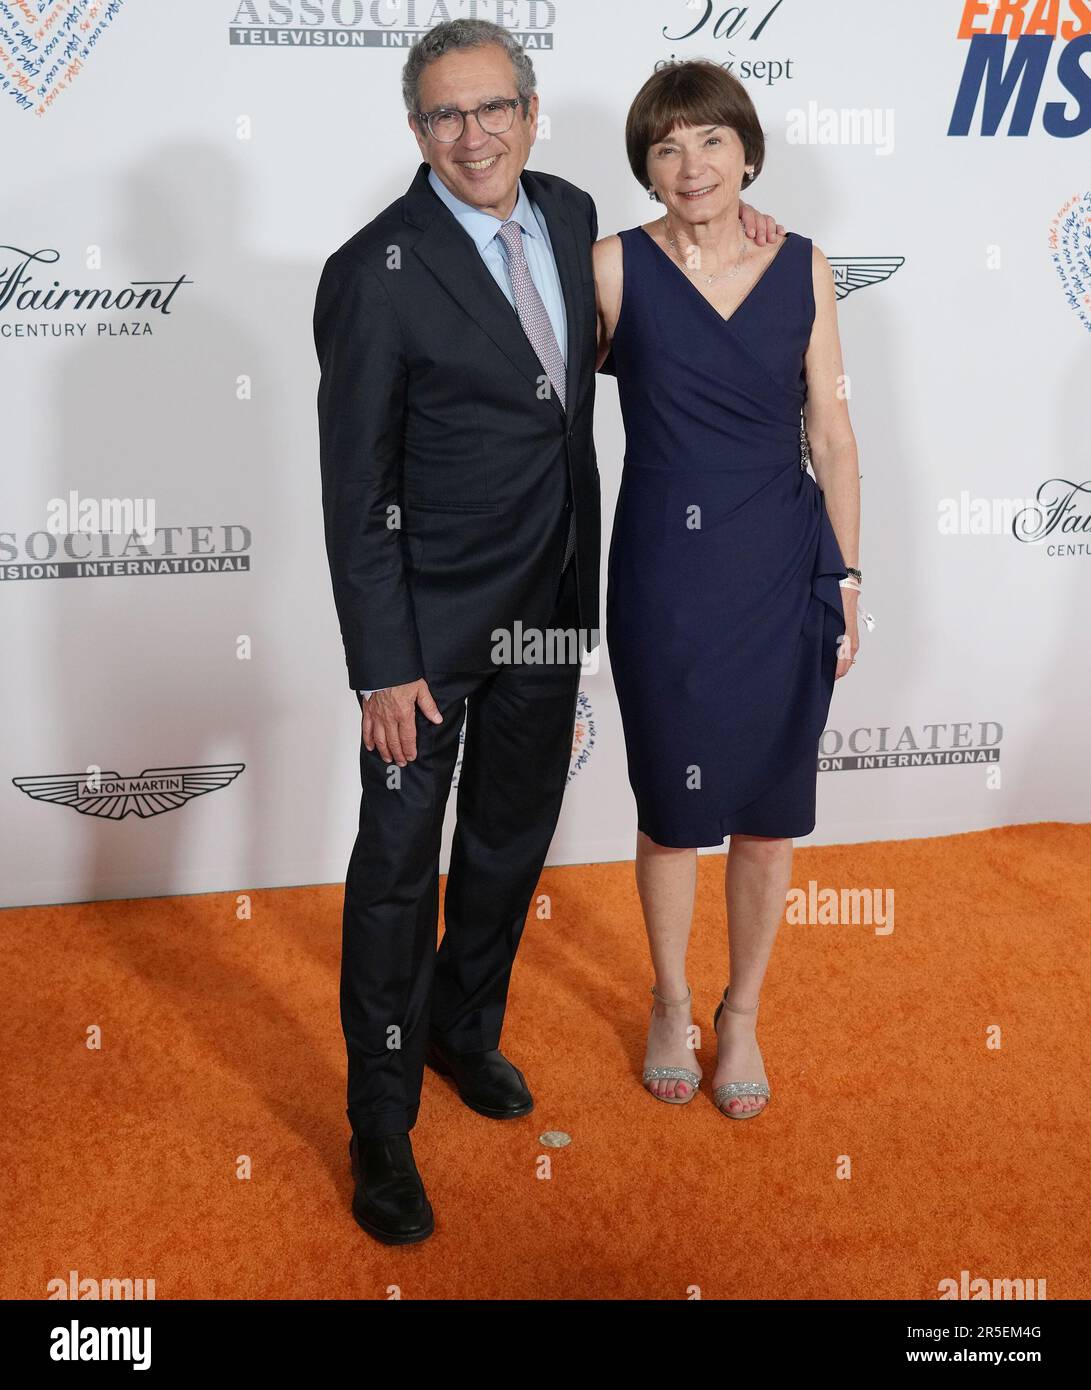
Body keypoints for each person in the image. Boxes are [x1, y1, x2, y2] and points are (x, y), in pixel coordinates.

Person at [314, 21, 783, 1243]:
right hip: (421, 637)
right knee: (395, 871)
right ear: (414, 131)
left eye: (490, 109)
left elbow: (672, 322)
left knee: (510, 842)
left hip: (548, 610)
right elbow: (351, 486)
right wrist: (379, 663)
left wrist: (732, 243)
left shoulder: (576, 218)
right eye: (442, 117)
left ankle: (464, 1036)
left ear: (530, 110)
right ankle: (379, 1126)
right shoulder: (375, 270)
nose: (471, 136)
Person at [593, 60, 865, 1119]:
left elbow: (832, 437)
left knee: (766, 814)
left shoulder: (802, 266)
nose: (690, 163)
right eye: (665, 146)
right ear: (644, 169)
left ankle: (739, 1011)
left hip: (782, 562)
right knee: (670, 809)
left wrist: (843, 574)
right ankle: (670, 1002)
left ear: (746, 152)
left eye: (710, 140)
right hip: (663, 568)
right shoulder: (609, 268)